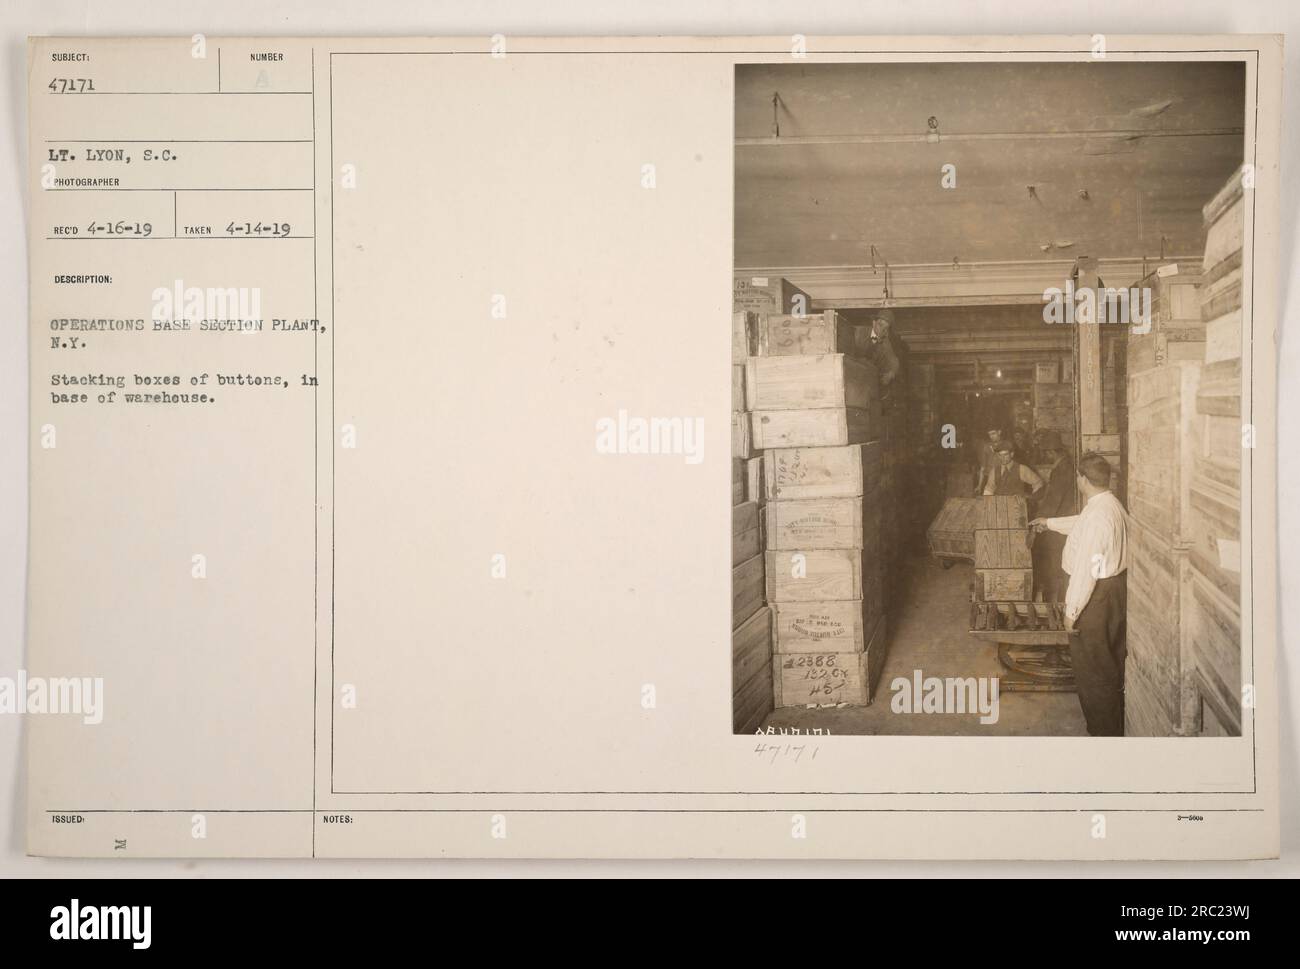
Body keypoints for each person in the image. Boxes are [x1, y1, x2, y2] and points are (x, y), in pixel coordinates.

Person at [1030, 452, 1129, 736]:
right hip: (1112, 592)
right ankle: (1111, 725)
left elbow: (1087, 570)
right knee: (1108, 660)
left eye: (1077, 476)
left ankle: (1104, 734)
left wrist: (1072, 612)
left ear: (1083, 479)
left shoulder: (1098, 516)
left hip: (1096, 597)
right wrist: (1048, 523)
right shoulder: (1107, 505)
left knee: (1092, 670)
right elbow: (1081, 524)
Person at [1031, 431, 1077, 603]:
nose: (1046, 456)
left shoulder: (1061, 469)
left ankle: (1053, 604)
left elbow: (1053, 500)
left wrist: (1040, 521)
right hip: (1061, 520)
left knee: (1052, 565)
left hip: (1058, 523)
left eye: (1046, 453)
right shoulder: (1064, 465)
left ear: (1051, 452)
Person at [974, 427, 1004, 495]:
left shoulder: (1007, 444)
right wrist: (979, 485)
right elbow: (983, 468)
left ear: (999, 432)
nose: (991, 436)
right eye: (989, 434)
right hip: (989, 479)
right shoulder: (986, 446)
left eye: (993, 433)